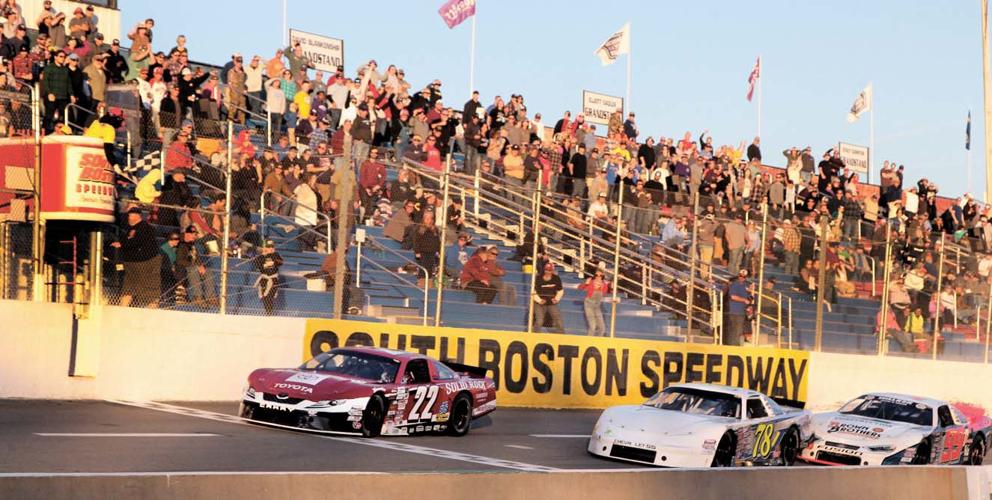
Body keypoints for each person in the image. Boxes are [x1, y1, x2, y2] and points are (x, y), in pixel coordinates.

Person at [111, 208, 161, 308]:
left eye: (131, 215)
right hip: (132, 264)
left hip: (145, 263)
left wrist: (122, 244)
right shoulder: (130, 229)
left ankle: (152, 311)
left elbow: (138, 241)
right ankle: (122, 309)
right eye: (129, 215)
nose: (129, 217)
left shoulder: (145, 227)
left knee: (148, 289)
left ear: (138, 216)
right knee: (128, 288)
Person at [176, 225, 215, 306]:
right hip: (183, 269)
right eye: (194, 234)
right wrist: (195, 266)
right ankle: (197, 297)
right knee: (193, 269)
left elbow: (197, 258)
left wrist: (201, 266)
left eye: (196, 234)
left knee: (208, 271)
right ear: (187, 234)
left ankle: (210, 297)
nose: (195, 236)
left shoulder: (192, 245)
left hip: (193, 267)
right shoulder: (181, 244)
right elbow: (179, 261)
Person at [532, 263, 564, 333]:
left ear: (552, 271)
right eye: (546, 270)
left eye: (550, 270)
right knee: (539, 321)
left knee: (558, 320)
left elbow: (560, 291)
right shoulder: (538, 278)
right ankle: (534, 335)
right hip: (539, 303)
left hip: (551, 303)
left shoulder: (556, 278)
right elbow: (533, 291)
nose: (548, 272)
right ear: (544, 270)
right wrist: (539, 300)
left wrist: (556, 299)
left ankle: (561, 337)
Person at [253, 240, 283, 315]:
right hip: (264, 278)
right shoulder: (261, 256)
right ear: (264, 248)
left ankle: (269, 312)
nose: (270, 248)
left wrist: (273, 260)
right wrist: (263, 255)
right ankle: (268, 312)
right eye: (268, 247)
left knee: (270, 296)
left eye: (272, 247)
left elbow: (281, 262)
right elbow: (256, 265)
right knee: (264, 297)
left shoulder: (275, 254)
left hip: (273, 278)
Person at [578, 267, 611, 336]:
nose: (598, 277)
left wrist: (611, 287)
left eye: (600, 276)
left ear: (603, 277)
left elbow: (606, 292)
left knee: (602, 328)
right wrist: (586, 284)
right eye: (596, 275)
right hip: (589, 304)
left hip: (597, 305)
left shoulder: (604, 285)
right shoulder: (591, 282)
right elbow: (580, 288)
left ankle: (598, 342)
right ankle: (589, 342)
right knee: (593, 326)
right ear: (594, 276)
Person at [726, 269, 751, 346]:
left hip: (741, 311)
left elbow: (749, 299)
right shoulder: (735, 284)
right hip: (735, 311)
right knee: (735, 331)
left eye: (744, 277)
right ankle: (733, 346)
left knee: (738, 331)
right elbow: (733, 296)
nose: (742, 278)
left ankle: (733, 346)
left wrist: (751, 292)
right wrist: (744, 300)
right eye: (740, 276)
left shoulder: (744, 286)